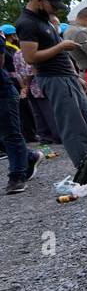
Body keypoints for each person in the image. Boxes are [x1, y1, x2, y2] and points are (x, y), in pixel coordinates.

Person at [15, 0, 87, 170]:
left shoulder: (44, 20)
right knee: (73, 126)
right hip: (54, 78)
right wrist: (62, 47)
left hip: (67, 76)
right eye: (52, 5)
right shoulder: (27, 23)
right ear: (39, 1)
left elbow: (59, 55)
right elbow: (30, 58)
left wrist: (74, 75)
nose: (55, 9)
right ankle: (84, 168)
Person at [2, 26, 42, 194]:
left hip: (2, 92)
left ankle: (17, 176)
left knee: (10, 133)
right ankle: (29, 157)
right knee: (4, 135)